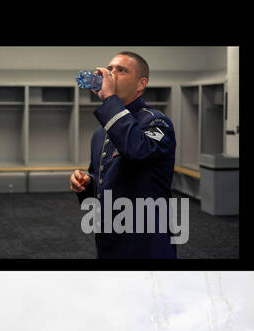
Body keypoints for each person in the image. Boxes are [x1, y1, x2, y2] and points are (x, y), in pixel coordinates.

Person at [69, 51, 177, 259]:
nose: (111, 74)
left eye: (121, 70)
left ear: (140, 84)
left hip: (147, 240)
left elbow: (138, 150)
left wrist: (109, 98)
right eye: (109, 69)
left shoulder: (157, 122)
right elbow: (103, 181)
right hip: (110, 237)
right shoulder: (102, 132)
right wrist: (86, 182)